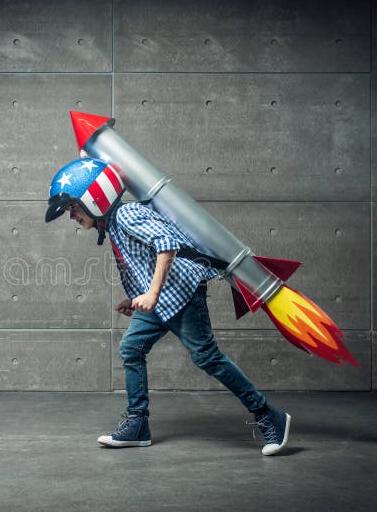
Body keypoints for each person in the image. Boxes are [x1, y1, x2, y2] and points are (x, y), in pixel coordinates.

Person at [45, 157, 291, 456]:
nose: (71, 216)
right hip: (161, 301)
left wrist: (151, 293)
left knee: (207, 357)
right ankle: (138, 425)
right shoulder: (113, 226)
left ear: (95, 197)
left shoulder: (126, 215)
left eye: (73, 207)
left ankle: (268, 415)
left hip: (182, 294)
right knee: (131, 348)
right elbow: (145, 262)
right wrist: (137, 297)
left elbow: (166, 244)